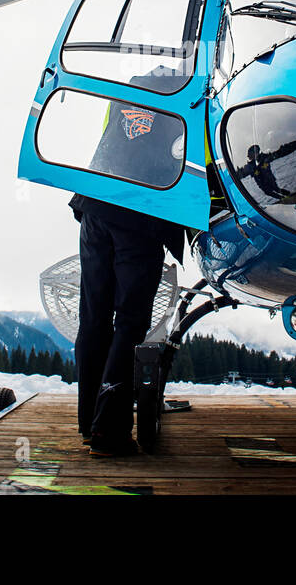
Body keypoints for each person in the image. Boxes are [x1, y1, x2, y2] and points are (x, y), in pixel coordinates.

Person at [70, 75, 186, 456]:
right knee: (131, 322)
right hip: (140, 213)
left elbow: (108, 139)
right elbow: (195, 164)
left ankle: (90, 423)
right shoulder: (188, 97)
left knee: (94, 318)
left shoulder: (124, 93)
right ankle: (109, 432)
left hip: (95, 205)